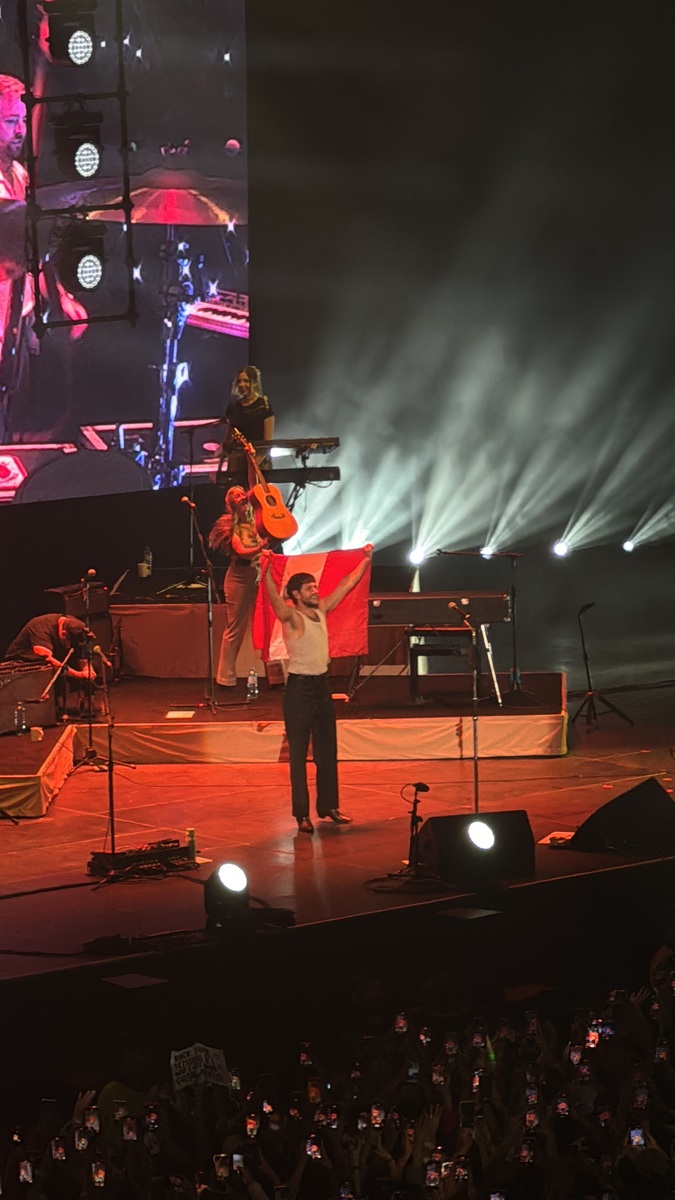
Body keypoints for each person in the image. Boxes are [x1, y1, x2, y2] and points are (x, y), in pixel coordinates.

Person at [0, 73, 87, 442]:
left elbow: (33, 250)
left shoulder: (17, 174)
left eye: (22, 120)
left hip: (14, 320)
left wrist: (62, 296)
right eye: (9, 122)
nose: (19, 130)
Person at [263, 545, 373, 833]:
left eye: (315, 586)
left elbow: (346, 584)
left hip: (322, 687)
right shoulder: (292, 617)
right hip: (299, 690)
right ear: (297, 594)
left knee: (327, 750)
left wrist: (364, 560)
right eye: (309, 588)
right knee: (298, 755)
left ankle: (329, 807)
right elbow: (274, 601)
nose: (315, 590)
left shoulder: (321, 610)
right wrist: (264, 575)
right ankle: (301, 814)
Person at [209, 486, 268, 688]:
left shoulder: (258, 520)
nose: (242, 496)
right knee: (235, 627)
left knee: (268, 621)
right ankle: (225, 678)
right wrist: (261, 547)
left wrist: (251, 458)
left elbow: (256, 485)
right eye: (236, 495)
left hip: (260, 572)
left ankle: (277, 677)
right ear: (231, 503)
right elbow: (241, 551)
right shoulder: (231, 525)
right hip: (239, 577)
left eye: (242, 492)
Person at [218, 365, 274, 482]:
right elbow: (228, 438)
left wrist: (253, 465)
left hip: (259, 462)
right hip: (237, 463)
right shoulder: (234, 407)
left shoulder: (263, 406)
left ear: (254, 383)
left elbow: (267, 443)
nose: (242, 385)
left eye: (246, 381)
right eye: (239, 381)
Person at [4, 613, 95, 682]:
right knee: (48, 669)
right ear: (63, 634)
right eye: (68, 644)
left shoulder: (74, 624)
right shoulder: (41, 627)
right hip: (23, 662)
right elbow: (46, 659)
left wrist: (87, 669)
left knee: (95, 666)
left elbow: (81, 652)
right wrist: (77, 674)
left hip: (56, 657)